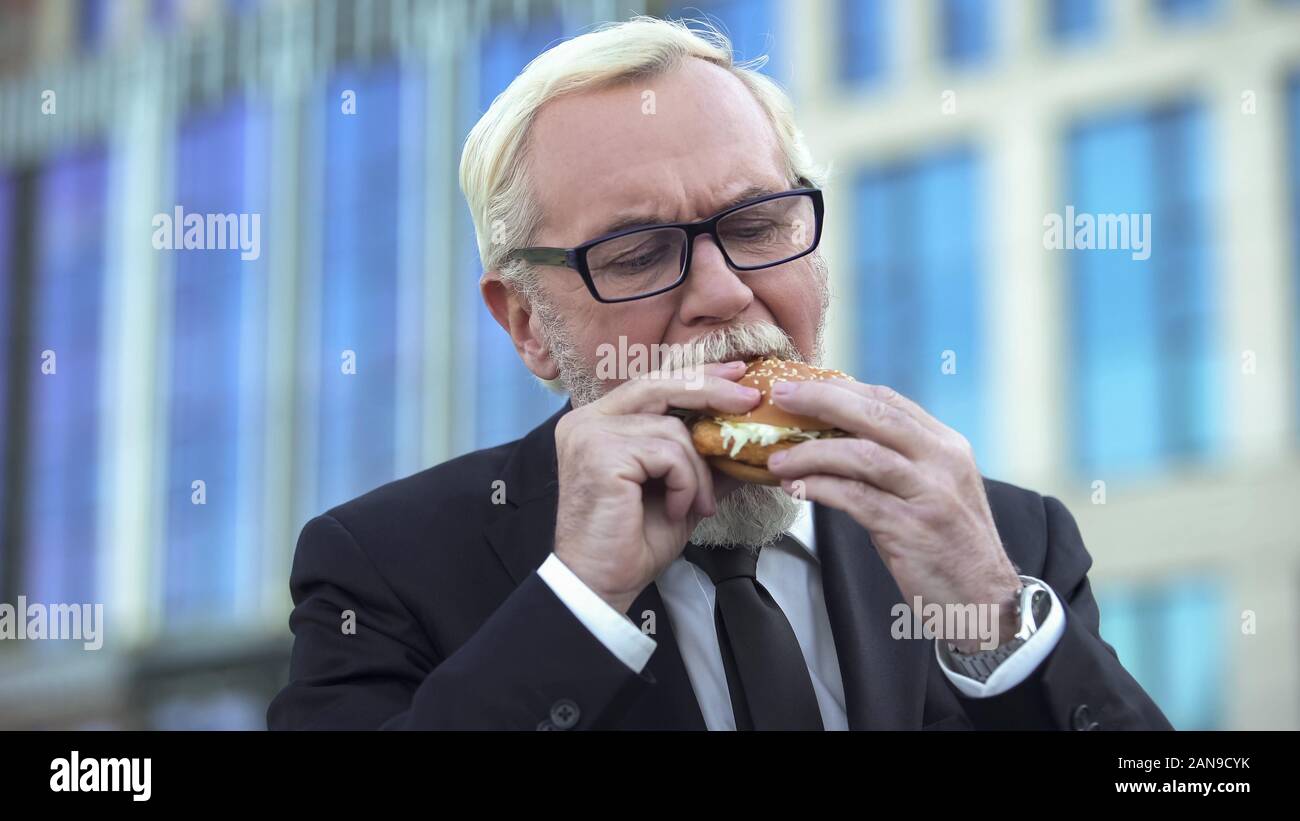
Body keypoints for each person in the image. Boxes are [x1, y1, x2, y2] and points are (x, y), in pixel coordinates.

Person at [267, 17, 1171, 731]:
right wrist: (579, 602)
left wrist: (995, 622)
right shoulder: (385, 567)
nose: (723, 291)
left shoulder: (1004, 537)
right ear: (526, 325)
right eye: (635, 252)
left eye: (757, 224)